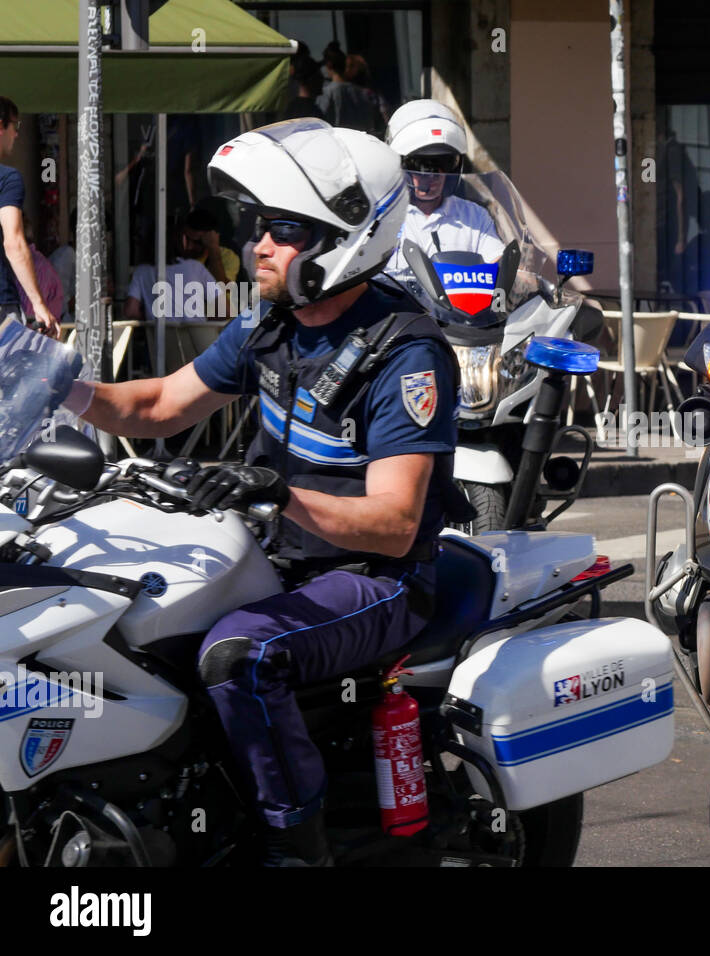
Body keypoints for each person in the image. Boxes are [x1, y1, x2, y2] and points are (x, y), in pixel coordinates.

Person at [66, 118, 459, 865]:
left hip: (375, 579)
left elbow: (396, 524)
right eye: (258, 227)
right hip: (276, 560)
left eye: (284, 229)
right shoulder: (269, 327)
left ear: (345, 238)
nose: (259, 245)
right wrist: (60, 386)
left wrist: (274, 496)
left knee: (239, 654)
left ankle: (294, 840)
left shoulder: (405, 353)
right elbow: (154, 408)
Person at [383, 100, 504, 312]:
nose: (431, 175)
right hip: (403, 321)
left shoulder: (474, 216)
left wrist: (520, 278)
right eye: (418, 164)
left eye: (444, 164)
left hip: (465, 325)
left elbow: (500, 264)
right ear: (398, 163)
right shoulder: (383, 217)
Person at [0, 97, 58, 336]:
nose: (16, 135)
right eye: (16, 126)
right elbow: (13, 242)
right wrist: (39, 304)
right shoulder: (7, 179)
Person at [124, 235, 218, 325]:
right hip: (196, 339)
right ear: (181, 241)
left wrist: (150, 317)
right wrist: (201, 321)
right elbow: (225, 310)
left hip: (159, 339)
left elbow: (131, 311)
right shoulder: (196, 267)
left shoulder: (141, 272)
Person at [181, 206, 241, 314]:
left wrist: (213, 249)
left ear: (211, 238)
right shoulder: (178, 256)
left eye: (197, 242)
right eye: (186, 239)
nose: (189, 247)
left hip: (216, 322)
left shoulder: (227, 256)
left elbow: (222, 286)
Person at [317, 43, 383, 134]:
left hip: (341, 140)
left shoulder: (327, 92)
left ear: (328, 65)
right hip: (364, 138)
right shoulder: (364, 93)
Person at [281, 53, 325, 122]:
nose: (322, 78)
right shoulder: (312, 113)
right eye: (318, 74)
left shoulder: (291, 108)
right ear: (312, 79)